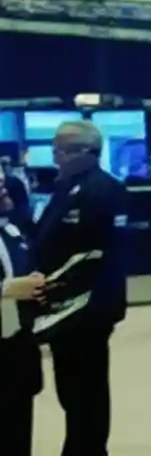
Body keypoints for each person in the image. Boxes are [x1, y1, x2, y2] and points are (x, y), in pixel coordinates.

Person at [31, 120, 129, 456]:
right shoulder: (64, 187)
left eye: (60, 149)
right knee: (71, 390)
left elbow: (101, 255)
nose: (54, 155)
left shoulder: (103, 190)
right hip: (60, 308)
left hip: (85, 309)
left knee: (86, 392)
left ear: (86, 153)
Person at [0, 181, 45, 456]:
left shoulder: (11, 230)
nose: (5, 192)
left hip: (17, 343)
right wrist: (5, 288)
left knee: (17, 426)